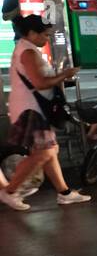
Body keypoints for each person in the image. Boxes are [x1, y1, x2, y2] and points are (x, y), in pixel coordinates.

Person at [0, 15, 90, 211]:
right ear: (32, 33)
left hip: (33, 109)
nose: (47, 39)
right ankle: (10, 192)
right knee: (45, 151)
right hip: (31, 110)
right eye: (45, 35)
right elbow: (40, 83)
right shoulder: (28, 53)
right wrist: (64, 75)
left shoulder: (27, 49)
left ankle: (64, 193)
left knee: (50, 151)